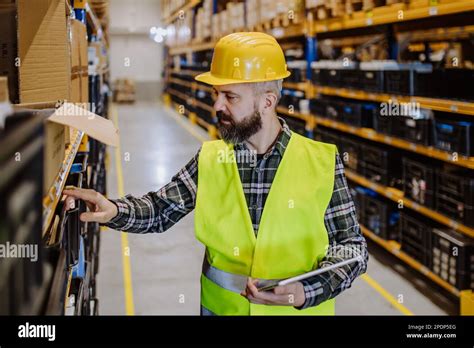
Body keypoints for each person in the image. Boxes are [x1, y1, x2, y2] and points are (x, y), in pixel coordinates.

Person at [64, 32, 368, 316]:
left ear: (267, 101)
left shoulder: (321, 162)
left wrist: (306, 291)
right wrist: (113, 209)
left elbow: (352, 248)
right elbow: (160, 210)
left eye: (230, 96)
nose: (217, 105)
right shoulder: (212, 157)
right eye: (216, 94)